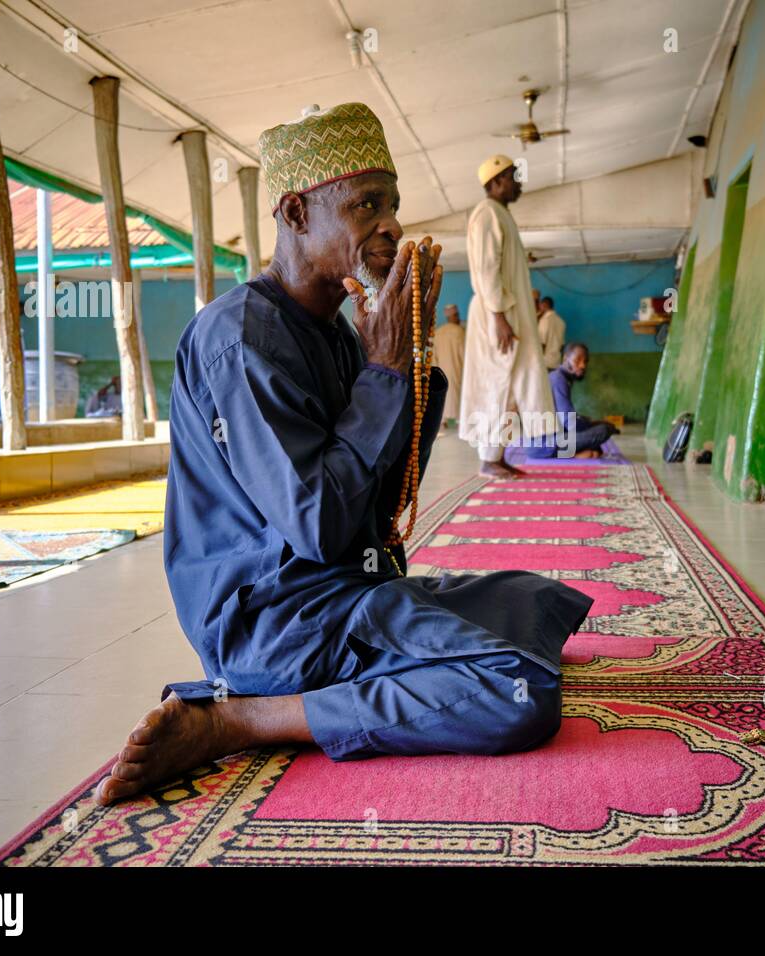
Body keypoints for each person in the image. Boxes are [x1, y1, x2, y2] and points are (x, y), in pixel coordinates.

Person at [93, 103, 593, 806]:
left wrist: (410, 360)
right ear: (296, 213)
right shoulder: (238, 337)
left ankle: (380, 672)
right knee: (521, 691)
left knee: (538, 599)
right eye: (366, 205)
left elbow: (381, 512)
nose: (390, 224)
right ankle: (246, 716)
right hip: (281, 620)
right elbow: (321, 525)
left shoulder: (341, 334)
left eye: (392, 205)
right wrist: (385, 371)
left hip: (349, 586)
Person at [458, 155, 554, 479]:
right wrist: (498, 316)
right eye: (513, 176)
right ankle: (488, 458)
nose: (519, 183)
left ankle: (496, 455)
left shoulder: (500, 214)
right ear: (496, 182)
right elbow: (487, 269)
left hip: (506, 312)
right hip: (495, 313)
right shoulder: (486, 214)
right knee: (495, 383)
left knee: (512, 384)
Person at [527, 342, 620, 459]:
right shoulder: (558, 379)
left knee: (595, 444)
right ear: (565, 358)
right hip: (542, 445)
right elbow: (569, 422)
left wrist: (586, 421)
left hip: (544, 442)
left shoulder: (560, 378)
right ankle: (571, 455)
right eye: (578, 360)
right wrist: (594, 424)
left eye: (585, 361)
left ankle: (576, 452)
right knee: (604, 430)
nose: (582, 365)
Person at [431, 303, 464, 428]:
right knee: (459, 396)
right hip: (458, 371)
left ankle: (442, 421)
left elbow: (433, 358)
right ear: (455, 315)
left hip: (442, 373)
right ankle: (460, 422)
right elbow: (465, 355)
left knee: (443, 396)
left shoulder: (438, 333)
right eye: (458, 315)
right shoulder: (460, 331)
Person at [536, 296, 566, 371]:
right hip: (556, 363)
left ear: (544, 305)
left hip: (544, 362)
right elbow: (562, 346)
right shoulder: (561, 322)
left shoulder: (544, 320)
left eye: (540, 306)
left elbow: (541, 343)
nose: (539, 309)